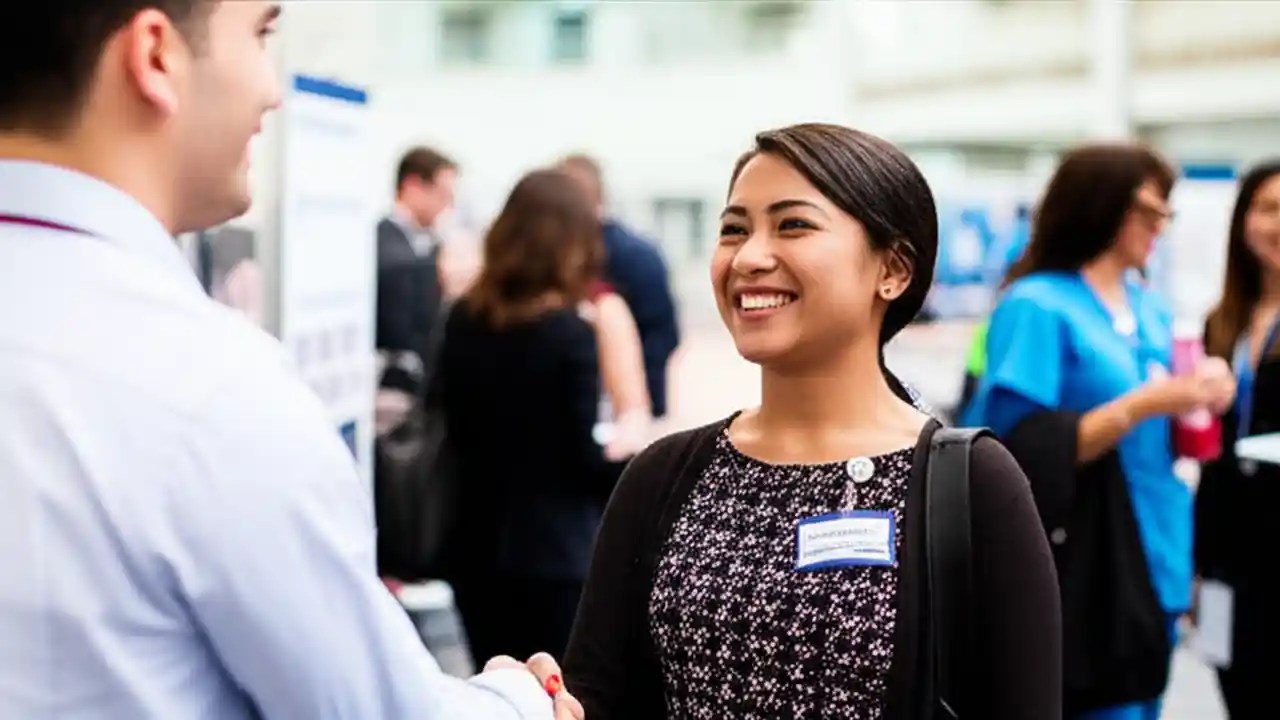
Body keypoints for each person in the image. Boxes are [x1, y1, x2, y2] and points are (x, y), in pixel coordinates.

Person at [0, 2, 580, 718]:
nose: (273, 89)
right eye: (261, 33)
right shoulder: (209, 388)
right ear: (155, 55)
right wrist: (522, 700)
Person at [564, 123, 1062, 719]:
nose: (748, 257)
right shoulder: (664, 476)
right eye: (733, 230)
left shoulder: (968, 482)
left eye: (792, 224)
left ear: (893, 271)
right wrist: (535, 701)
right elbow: (599, 697)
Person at [967, 143, 1235, 719]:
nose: (1158, 225)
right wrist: (1144, 403)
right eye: (1147, 210)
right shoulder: (1037, 305)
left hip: (1158, 541)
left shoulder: (1152, 307)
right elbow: (1017, 451)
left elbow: (1173, 427)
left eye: (1166, 211)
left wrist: (1204, 392)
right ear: (1099, 204)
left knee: (1146, 699)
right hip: (1090, 557)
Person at [437, 169, 625, 664]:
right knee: (554, 692)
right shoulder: (569, 333)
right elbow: (580, 460)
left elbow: (449, 423)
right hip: (552, 553)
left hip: (473, 544)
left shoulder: (462, 319)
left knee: (494, 685)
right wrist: (635, 466)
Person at [1196, 159, 1280, 718]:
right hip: (1231, 557)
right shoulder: (1221, 322)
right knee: (1239, 692)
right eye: (1268, 208)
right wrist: (1198, 564)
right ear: (1243, 220)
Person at [558, 154, 681, 418]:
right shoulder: (559, 255)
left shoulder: (636, 256)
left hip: (626, 410)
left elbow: (663, 335)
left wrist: (633, 396)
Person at [377, 146, 457, 366]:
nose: (448, 206)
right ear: (412, 186)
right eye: (443, 195)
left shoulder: (432, 246)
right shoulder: (383, 246)